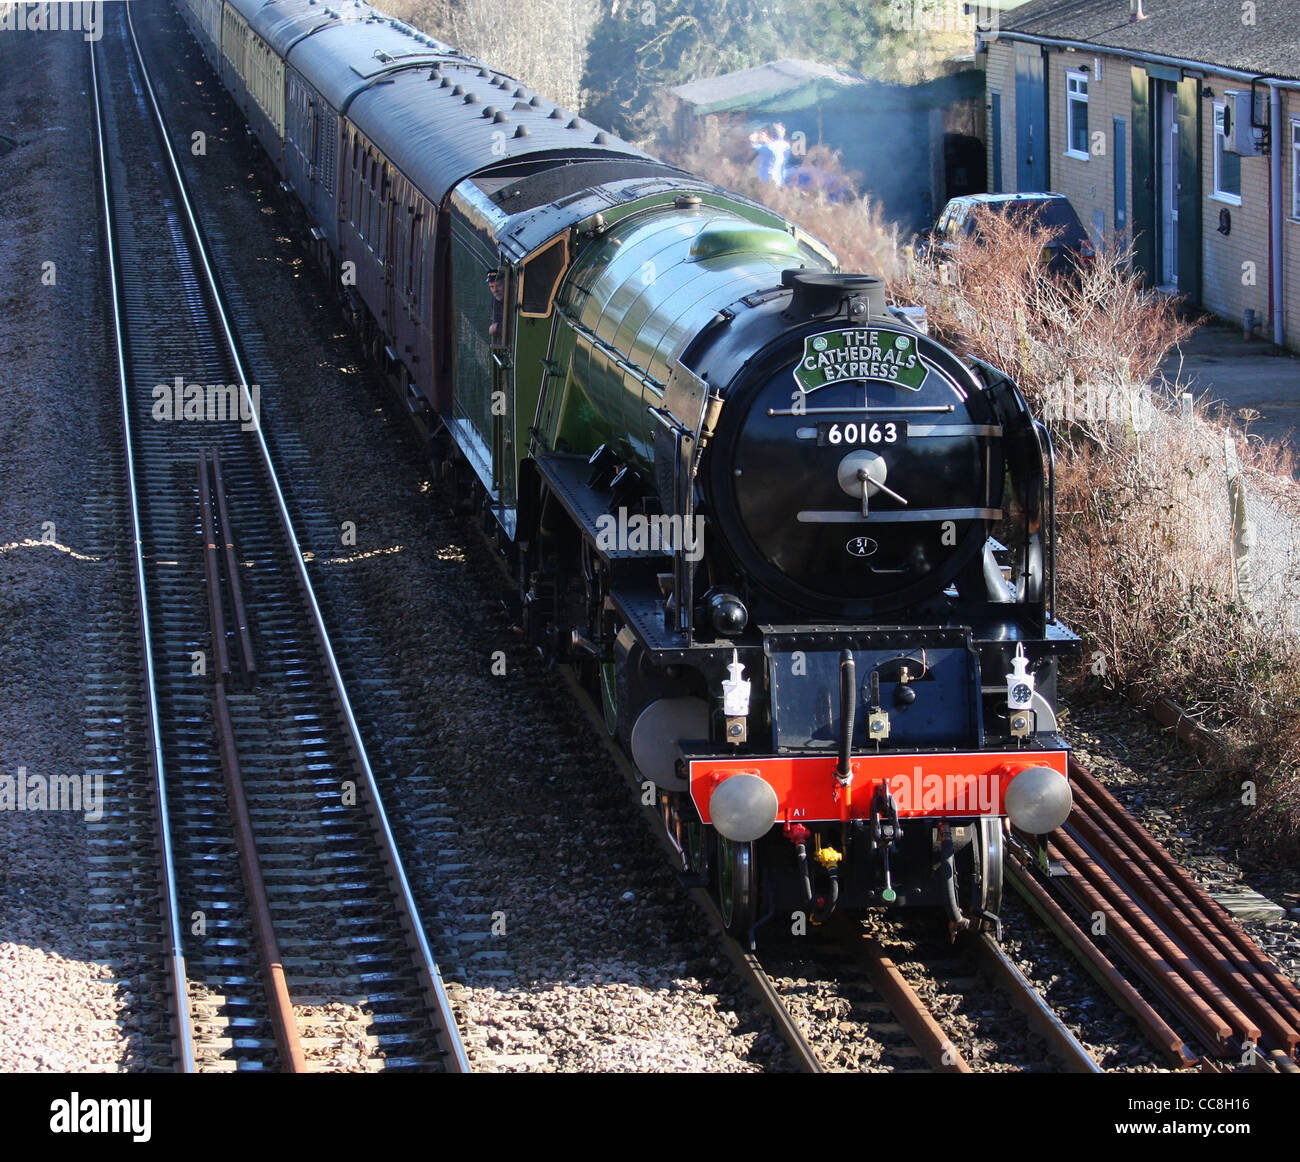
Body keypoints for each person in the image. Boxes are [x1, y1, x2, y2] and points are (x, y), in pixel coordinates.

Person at [749, 122, 790, 186]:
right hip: (779, 181)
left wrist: (752, 140)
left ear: (769, 134)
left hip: (767, 182)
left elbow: (753, 147)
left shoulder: (769, 148)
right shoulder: (786, 145)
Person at [485, 268, 504, 339]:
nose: (495, 290)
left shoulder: (513, 298)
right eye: (492, 287)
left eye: (498, 286)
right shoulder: (495, 300)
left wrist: (497, 327)